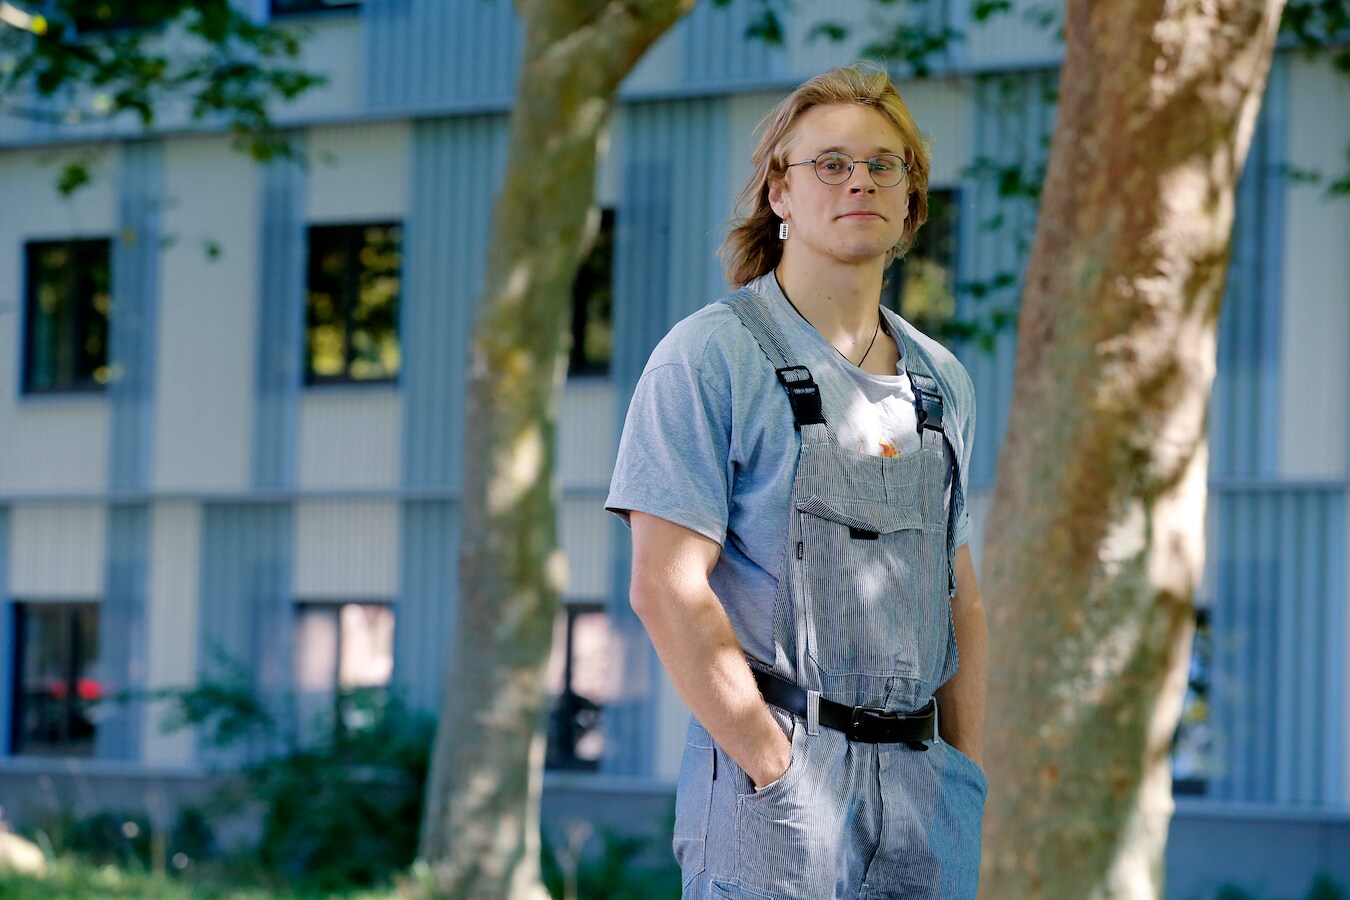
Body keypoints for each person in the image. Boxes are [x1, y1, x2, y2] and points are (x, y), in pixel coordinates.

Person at [606, 64, 987, 899]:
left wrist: (970, 772)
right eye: (830, 163)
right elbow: (665, 587)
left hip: (929, 801)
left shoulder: (942, 382)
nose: (860, 181)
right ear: (779, 191)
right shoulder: (711, 356)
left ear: (910, 200)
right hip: (776, 792)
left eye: (884, 164)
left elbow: (957, 594)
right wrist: (775, 767)